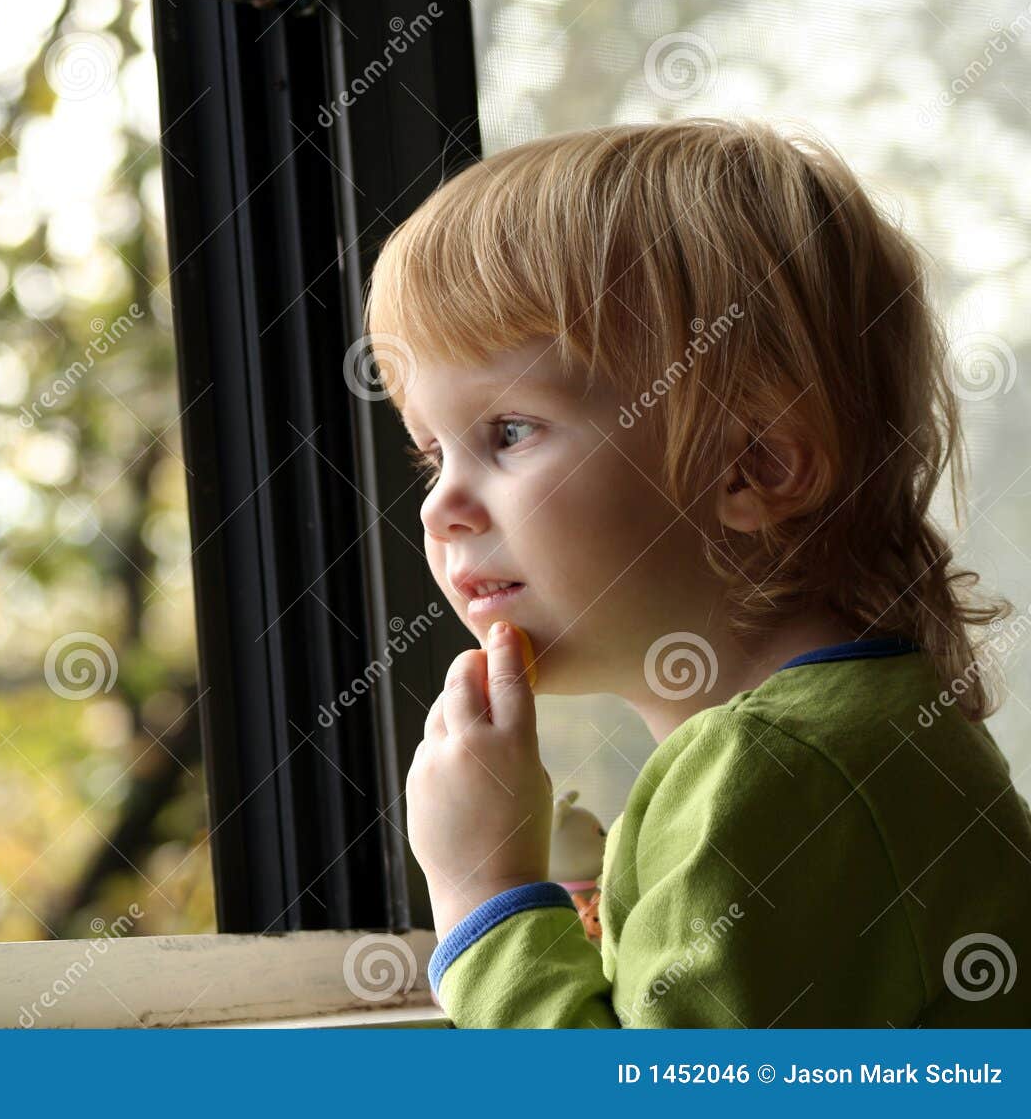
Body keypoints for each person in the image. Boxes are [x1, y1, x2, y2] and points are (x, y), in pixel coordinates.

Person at [364, 118, 1031, 1026]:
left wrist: (484, 901)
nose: (442, 506)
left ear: (753, 463)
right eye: (430, 454)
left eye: (508, 432)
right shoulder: (862, 735)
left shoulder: (770, 776)